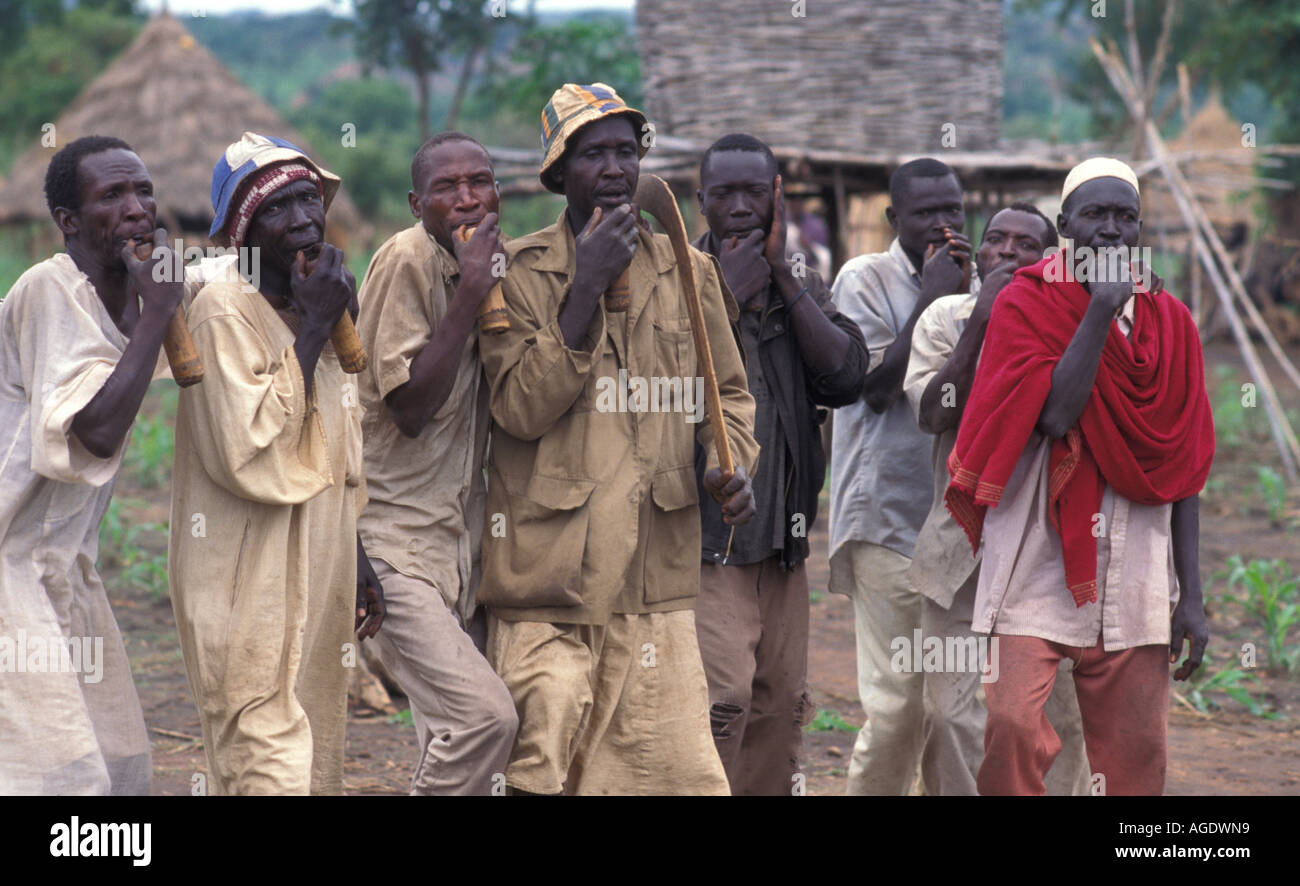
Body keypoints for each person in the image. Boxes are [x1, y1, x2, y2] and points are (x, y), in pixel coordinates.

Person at [477, 83, 759, 795]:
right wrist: (585, 292)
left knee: (671, 773)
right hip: (550, 573)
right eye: (592, 153)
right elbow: (518, 408)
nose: (613, 167)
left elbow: (726, 395)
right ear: (558, 172)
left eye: (625, 151)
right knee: (542, 763)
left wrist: (733, 464)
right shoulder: (519, 272)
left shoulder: (688, 273)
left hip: (654, 579)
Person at [945, 158, 1215, 795]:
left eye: (1126, 217)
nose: (1112, 231)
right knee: (1011, 722)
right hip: (1036, 555)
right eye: (1096, 215)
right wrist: (1099, 309)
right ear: (1065, 225)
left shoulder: (1172, 323)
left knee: (1135, 754)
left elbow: (1185, 467)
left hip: (1138, 566)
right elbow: (1057, 413)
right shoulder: (1025, 302)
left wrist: (1193, 598)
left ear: (1141, 230)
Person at [168, 132, 385, 795]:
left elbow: (337, 449)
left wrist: (356, 555)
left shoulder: (313, 293)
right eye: (276, 210)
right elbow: (245, 450)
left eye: (308, 202)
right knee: (263, 758)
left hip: (320, 560)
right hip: (244, 573)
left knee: (313, 744)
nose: (301, 222)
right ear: (241, 229)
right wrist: (315, 326)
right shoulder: (221, 310)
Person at [690, 133, 867, 794]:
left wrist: (785, 278)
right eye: (724, 193)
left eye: (753, 192)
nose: (739, 207)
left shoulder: (800, 286)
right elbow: (655, 386)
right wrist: (723, 298)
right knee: (721, 704)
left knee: (779, 709)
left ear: (776, 198)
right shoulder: (675, 282)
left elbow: (847, 378)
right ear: (700, 200)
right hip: (705, 545)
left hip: (783, 548)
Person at [0, 136, 172, 794]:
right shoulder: (50, 290)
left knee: (125, 766)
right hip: (11, 569)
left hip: (70, 568)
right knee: (64, 781)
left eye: (144, 192)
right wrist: (158, 315)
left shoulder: (133, 292)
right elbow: (95, 432)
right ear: (69, 221)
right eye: (112, 196)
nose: (136, 208)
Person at [904, 202, 1090, 795]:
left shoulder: (1073, 320)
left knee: (1055, 726)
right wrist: (983, 322)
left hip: (1048, 556)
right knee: (949, 717)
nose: (1007, 252)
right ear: (978, 254)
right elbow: (934, 413)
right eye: (995, 240)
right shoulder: (945, 318)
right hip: (963, 548)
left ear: (1051, 260)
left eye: (1025, 244)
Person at [354, 131, 517, 795]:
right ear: (418, 202)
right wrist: (471, 293)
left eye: (479, 181)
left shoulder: (484, 265)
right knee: (485, 720)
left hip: (452, 542)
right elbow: (411, 407)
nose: (466, 198)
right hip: (389, 543)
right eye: (446, 188)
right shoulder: (409, 259)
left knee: (447, 730)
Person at [828, 157, 972, 794]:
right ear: (894, 219)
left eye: (953, 211)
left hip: (955, 529)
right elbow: (875, 388)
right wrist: (931, 299)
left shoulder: (980, 286)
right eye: (925, 214)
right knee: (897, 709)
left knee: (954, 712)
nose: (943, 225)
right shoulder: (865, 278)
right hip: (886, 520)